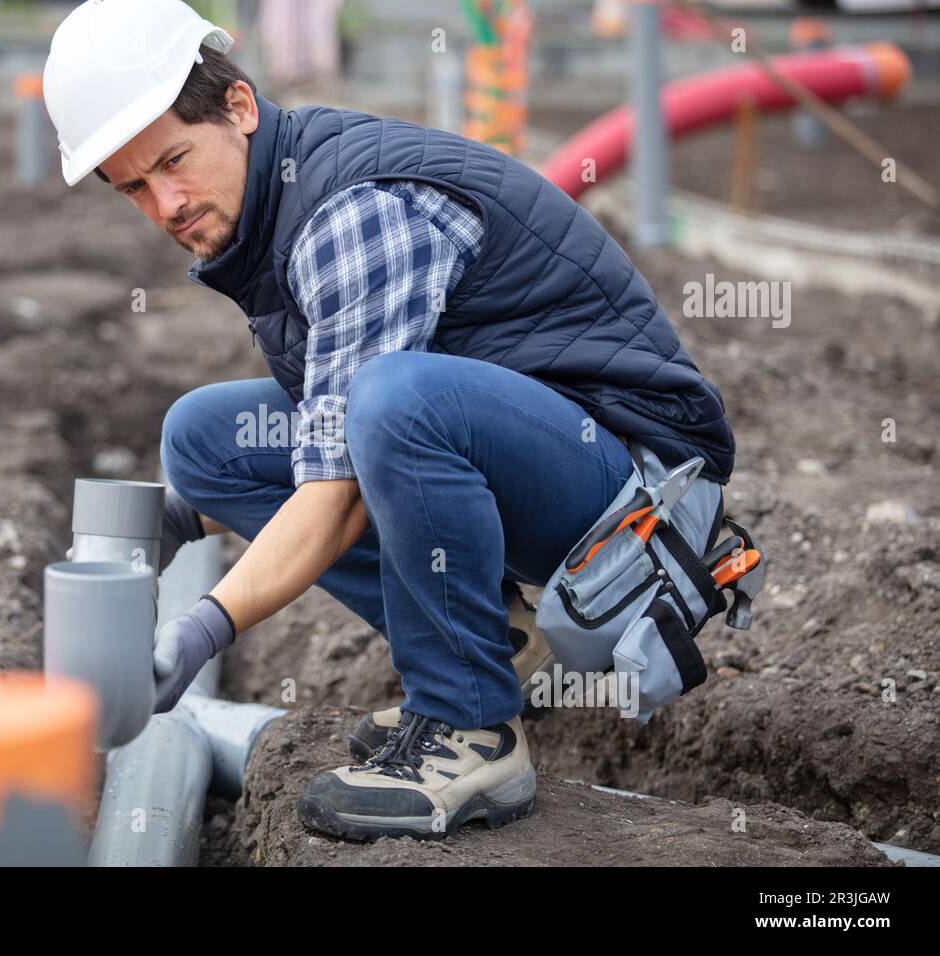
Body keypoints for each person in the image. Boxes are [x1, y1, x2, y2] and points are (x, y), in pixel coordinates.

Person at [43, 0, 733, 841]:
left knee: (392, 400)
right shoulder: (270, 205)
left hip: (634, 493)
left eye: (174, 162)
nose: (167, 204)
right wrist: (175, 517)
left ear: (240, 107)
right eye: (135, 189)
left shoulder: (349, 213)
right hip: (529, 442)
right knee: (202, 438)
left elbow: (340, 483)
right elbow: (326, 430)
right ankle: (497, 639)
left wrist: (198, 632)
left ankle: (470, 726)